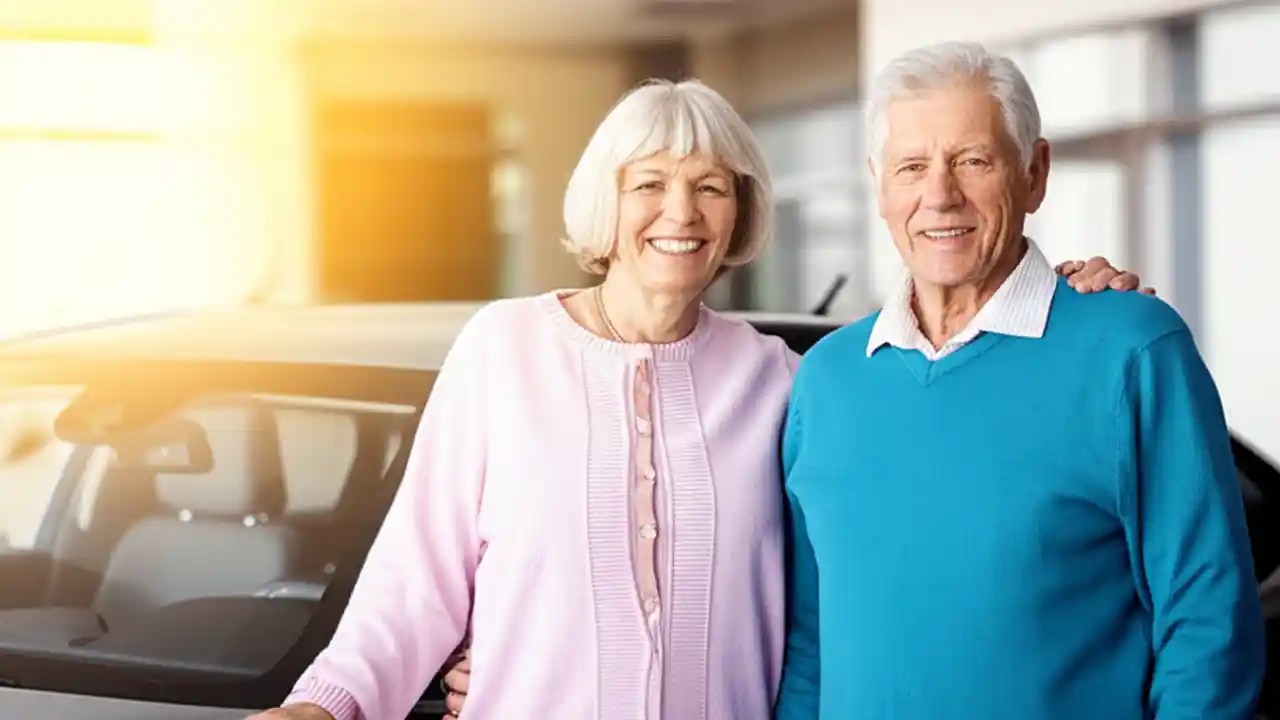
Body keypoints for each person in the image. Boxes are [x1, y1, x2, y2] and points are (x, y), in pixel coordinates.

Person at [248, 78, 1141, 720]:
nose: (681, 211)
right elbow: (415, 579)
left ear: (738, 214)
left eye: (711, 186)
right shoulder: (501, 350)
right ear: (608, 202)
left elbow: (887, 548)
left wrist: (1056, 299)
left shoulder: (785, 381)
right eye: (651, 184)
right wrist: (325, 707)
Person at [774, 41, 1265, 720]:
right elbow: (809, 646)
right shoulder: (827, 379)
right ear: (880, 185)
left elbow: (1208, 623)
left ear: (1034, 173)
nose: (940, 195)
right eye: (912, 167)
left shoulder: (1133, 350)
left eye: (973, 161)